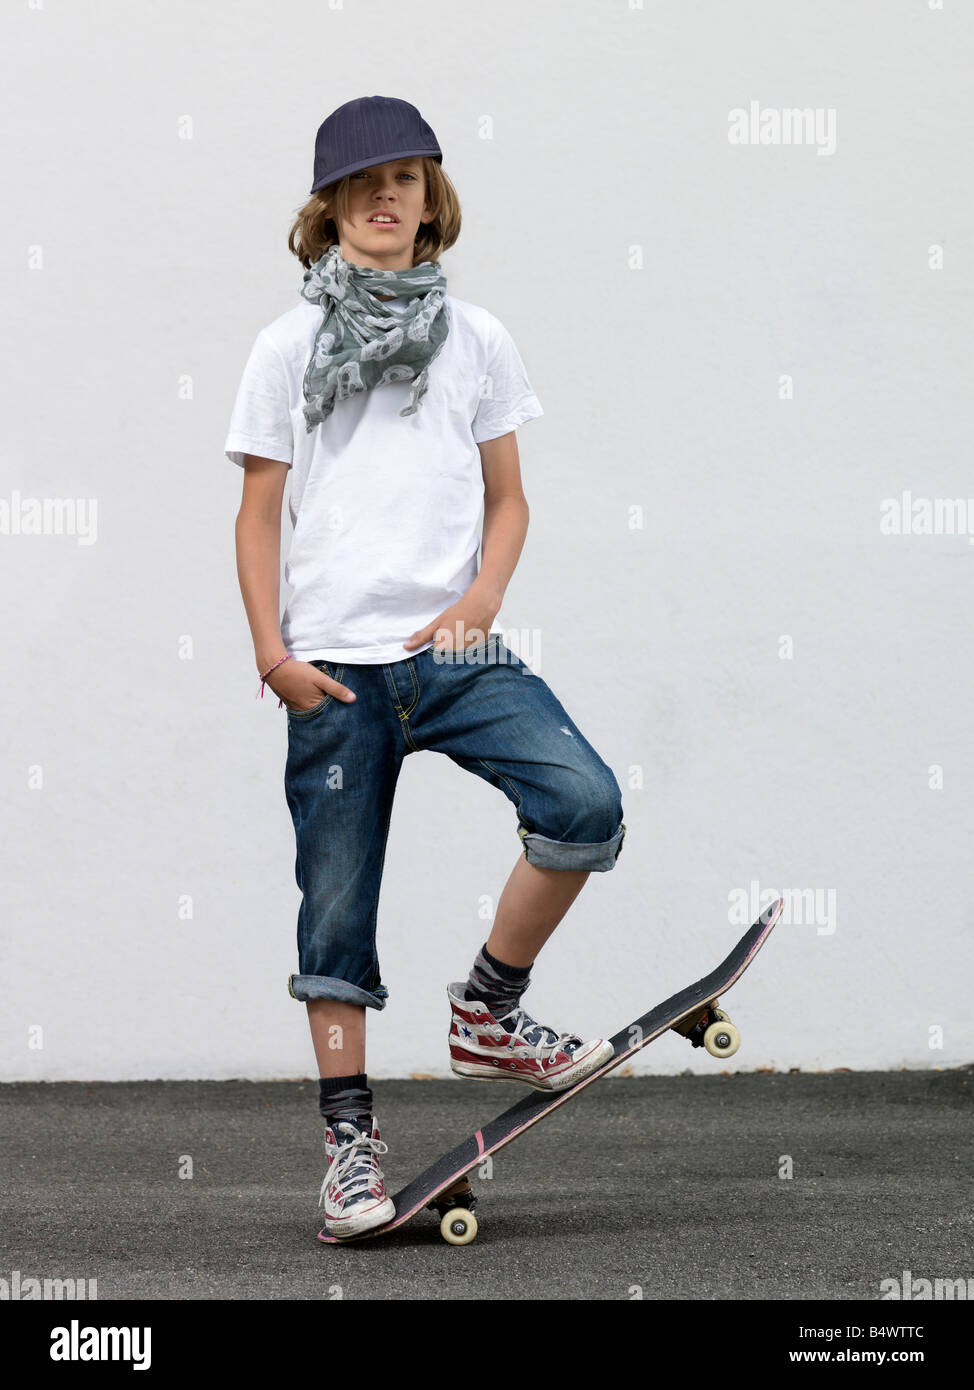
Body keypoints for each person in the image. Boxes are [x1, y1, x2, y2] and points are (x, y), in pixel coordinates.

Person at [224, 95, 626, 1239]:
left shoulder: (478, 337)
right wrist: (272, 652)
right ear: (329, 209)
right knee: (335, 915)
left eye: (403, 177)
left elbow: (508, 499)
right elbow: (257, 516)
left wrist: (481, 599)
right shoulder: (285, 347)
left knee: (581, 800)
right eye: (361, 183)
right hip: (335, 674)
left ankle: (488, 1013)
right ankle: (349, 1148)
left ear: (429, 198)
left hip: (450, 654)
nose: (383, 196)